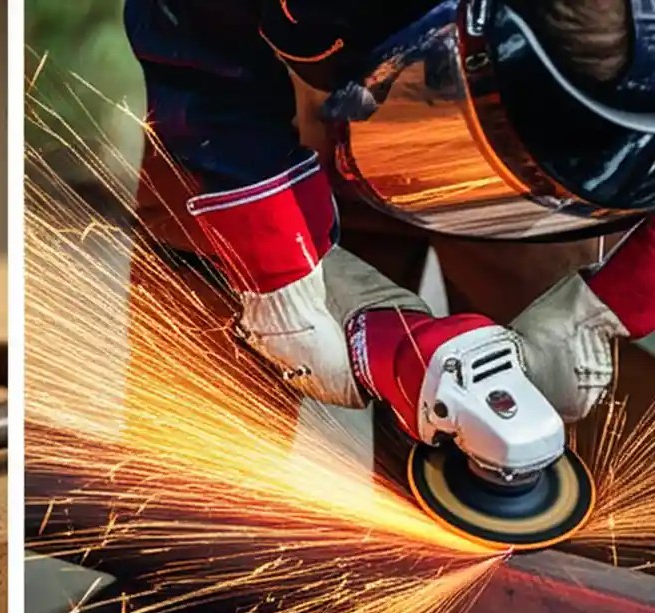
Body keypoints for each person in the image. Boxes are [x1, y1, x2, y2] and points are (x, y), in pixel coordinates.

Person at [124, 0, 655, 451]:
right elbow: (190, 38)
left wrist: (610, 307)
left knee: (557, 444)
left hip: (543, 174)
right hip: (270, 89)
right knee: (201, 422)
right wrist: (276, 274)